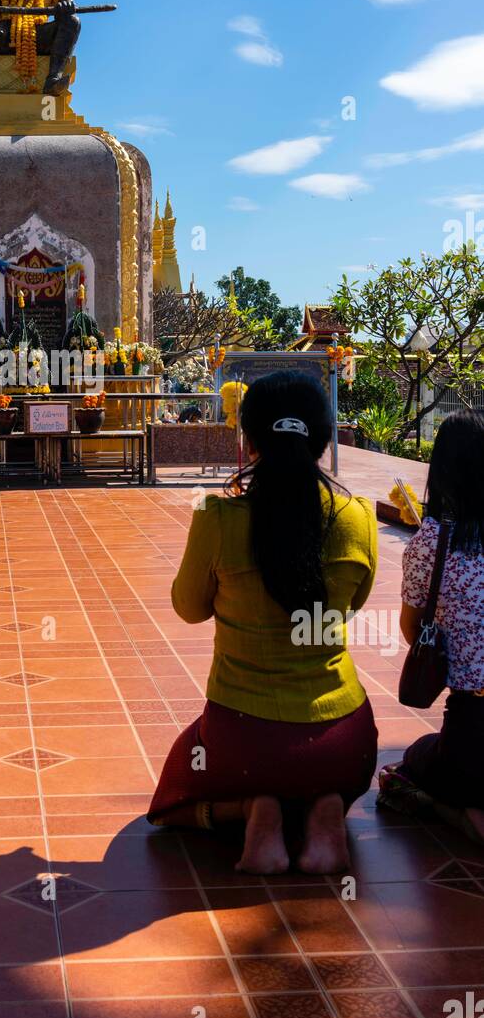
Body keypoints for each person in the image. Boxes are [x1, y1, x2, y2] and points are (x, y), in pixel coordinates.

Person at [148, 371, 379, 874]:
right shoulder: (358, 517)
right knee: (320, 773)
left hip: (241, 741)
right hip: (344, 744)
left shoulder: (217, 517)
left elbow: (188, 609)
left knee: (176, 788)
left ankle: (254, 807)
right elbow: (354, 605)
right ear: (322, 439)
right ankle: (324, 807)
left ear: (248, 440)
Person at [378, 410, 484, 844]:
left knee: (415, 760)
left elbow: (412, 631)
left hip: (473, 717)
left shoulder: (432, 540)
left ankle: (455, 806)